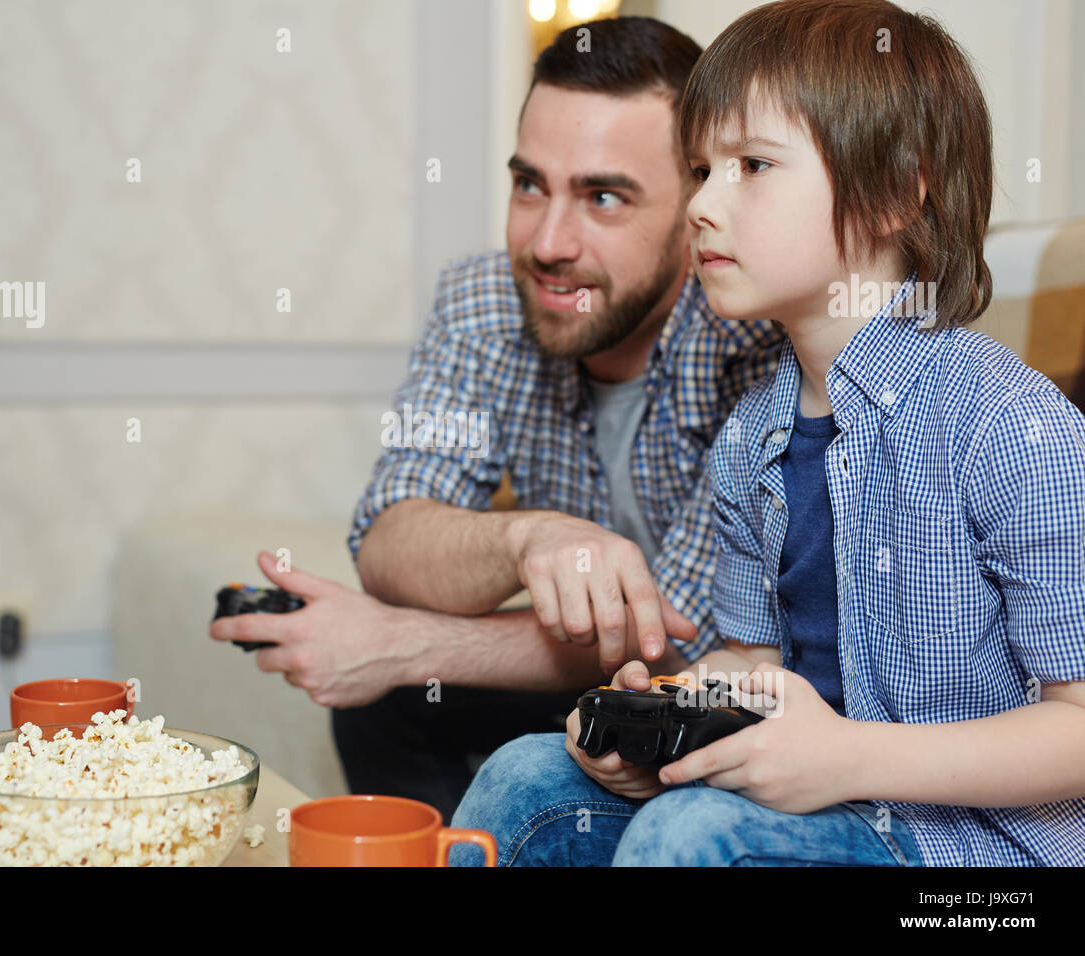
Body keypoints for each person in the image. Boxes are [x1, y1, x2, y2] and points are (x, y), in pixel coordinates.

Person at [452, 0, 1085, 865]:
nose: (703, 205)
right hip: (804, 804)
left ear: (896, 190)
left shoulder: (1010, 428)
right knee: (528, 778)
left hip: (967, 858)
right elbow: (752, 658)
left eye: (751, 166)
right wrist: (675, 721)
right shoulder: (752, 437)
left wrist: (850, 759)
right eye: (700, 169)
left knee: (697, 832)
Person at [210, 17, 783, 823]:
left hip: (717, 697)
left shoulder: (757, 336)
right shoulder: (484, 303)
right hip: (588, 684)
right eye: (528, 185)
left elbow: (687, 634)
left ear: (699, 206)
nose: (547, 242)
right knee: (388, 702)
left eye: (604, 197)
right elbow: (390, 535)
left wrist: (400, 643)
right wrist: (529, 537)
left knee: (411, 669)